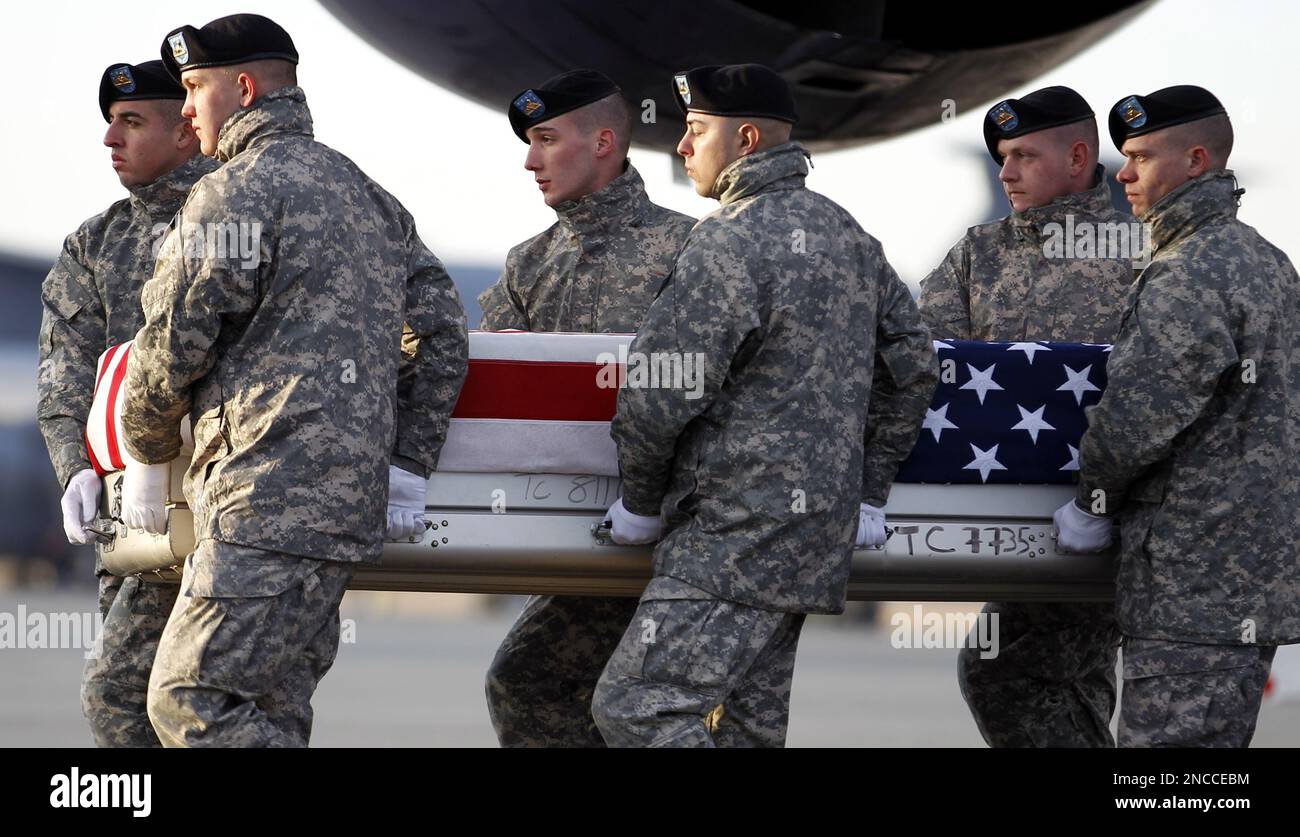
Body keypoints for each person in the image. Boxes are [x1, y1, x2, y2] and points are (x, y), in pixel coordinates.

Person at [120, 13, 468, 746]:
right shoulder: (372, 198)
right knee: (271, 712)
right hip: (345, 509)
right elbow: (440, 334)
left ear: (242, 89)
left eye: (194, 88)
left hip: (262, 500)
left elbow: (171, 342)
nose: (185, 108)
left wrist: (143, 448)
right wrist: (407, 461)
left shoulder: (233, 193)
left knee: (190, 699)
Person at [592, 64, 938, 747]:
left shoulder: (730, 239)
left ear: (745, 138)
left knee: (638, 706)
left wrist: (638, 500)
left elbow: (660, 391)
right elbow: (915, 367)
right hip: (813, 534)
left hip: (734, 533)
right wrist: (866, 492)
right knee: (743, 726)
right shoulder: (849, 237)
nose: (682, 147)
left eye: (695, 131)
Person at [1055, 86, 1300, 747]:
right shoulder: (1269, 262)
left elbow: (1138, 416)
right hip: (1247, 577)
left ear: (1196, 160)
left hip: (1192, 586)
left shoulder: (1191, 268)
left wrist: (1090, 502)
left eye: (1140, 157)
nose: (1124, 174)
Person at [479, 69, 696, 747]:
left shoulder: (691, 249)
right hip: (580, 538)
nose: (529, 159)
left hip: (679, 536)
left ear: (603, 141)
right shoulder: (529, 264)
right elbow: (487, 379)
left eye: (546, 138)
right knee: (528, 683)